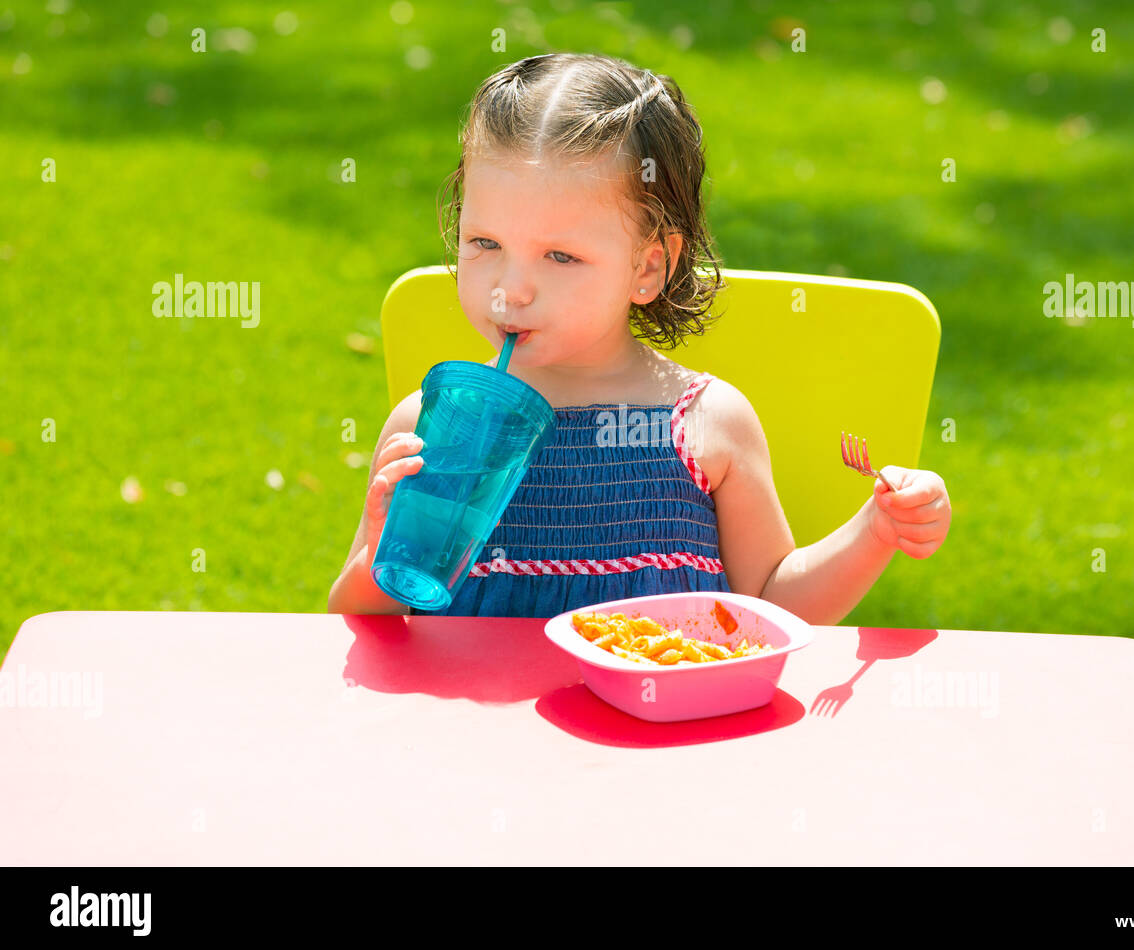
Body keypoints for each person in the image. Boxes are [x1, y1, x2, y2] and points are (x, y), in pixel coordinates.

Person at [328, 52, 951, 625]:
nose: (511, 290)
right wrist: (381, 560)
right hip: (473, 739)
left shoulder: (709, 425)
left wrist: (875, 530)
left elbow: (773, 607)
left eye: (560, 257)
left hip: (665, 741)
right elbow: (357, 623)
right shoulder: (428, 430)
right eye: (485, 244)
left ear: (647, 267)